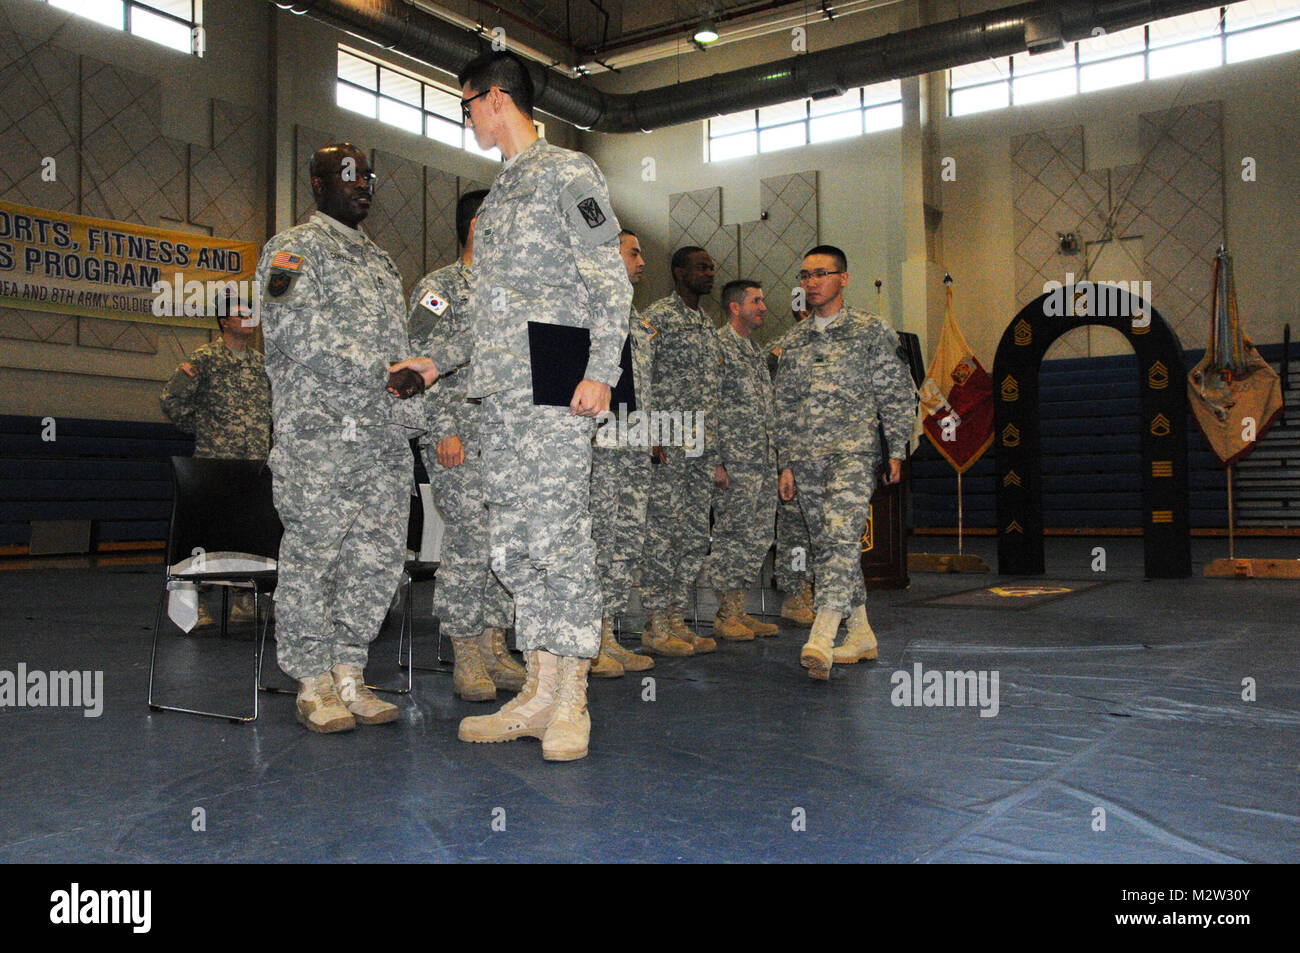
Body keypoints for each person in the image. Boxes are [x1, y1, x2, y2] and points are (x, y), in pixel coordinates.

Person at [392, 51, 630, 762]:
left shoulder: (570, 173)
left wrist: (601, 370)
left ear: (495, 99)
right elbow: (486, 314)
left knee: (558, 537)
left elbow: (609, 279)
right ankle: (537, 690)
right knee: (517, 546)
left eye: (466, 105)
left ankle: (573, 698)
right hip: (498, 392)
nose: (465, 119)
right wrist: (433, 361)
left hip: (557, 377)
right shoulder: (498, 197)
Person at [257, 142, 426, 732]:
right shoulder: (293, 249)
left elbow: (400, 348)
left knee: (376, 560)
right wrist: (382, 371)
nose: (363, 184)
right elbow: (296, 331)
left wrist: (412, 389)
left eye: (370, 176)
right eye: (348, 174)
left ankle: (351, 671)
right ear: (318, 182)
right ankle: (310, 681)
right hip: (320, 439)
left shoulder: (381, 261)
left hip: (382, 440)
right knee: (315, 556)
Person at [774, 245, 913, 680]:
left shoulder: (871, 331)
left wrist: (895, 448)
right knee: (831, 548)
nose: (811, 282)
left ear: (844, 278)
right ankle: (862, 632)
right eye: (805, 275)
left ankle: (823, 632)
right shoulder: (792, 341)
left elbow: (895, 390)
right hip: (806, 461)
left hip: (853, 453)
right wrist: (786, 463)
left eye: (821, 273)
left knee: (839, 538)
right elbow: (784, 406)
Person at [408, 189, 523, 701]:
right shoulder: (440, 288)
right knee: (469, 547)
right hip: (459, 439)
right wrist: (441, 429)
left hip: (508, 443)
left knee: (503, 549)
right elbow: (416, 359)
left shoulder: (511, 291)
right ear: (478, 225)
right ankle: (466, 651)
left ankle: (496, 644)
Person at [160, 287, 271, 626]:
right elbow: (171, 400)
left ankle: (244, 600)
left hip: (253, 464)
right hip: (215, 462)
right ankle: (200, 601)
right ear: (224, 321)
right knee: (207, 535)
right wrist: (205, 427)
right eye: (242, 313)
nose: (250, 319)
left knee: (248, 533)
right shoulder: (204, 358)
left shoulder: (262, 364)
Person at [637, 246, 724, 656]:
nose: (710, 273)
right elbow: (640, 377)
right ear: (678, 272)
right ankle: (655, 623)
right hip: (667, 437)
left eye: (711, 267)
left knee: (692, 533)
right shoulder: (658, 317)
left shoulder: (706, 323)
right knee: (662, 531)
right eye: (701, 267)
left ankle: (676, 616)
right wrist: (649, 433)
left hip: (700, 441)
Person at [588, 229, 657, 677]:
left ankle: (608, 635)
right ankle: (588, 640)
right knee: (596, 539)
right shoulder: (588, 307)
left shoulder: (636, 320)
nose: (642, 262)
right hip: (600, 442)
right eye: (634, 252)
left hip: (632, 441)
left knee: (624, 541)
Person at [705, 280, 781, 641]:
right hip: (735, 463)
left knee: (758, 536)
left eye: (763, 300)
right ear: (735, 307)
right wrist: (715, 460)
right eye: (756, 301)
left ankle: (738, 607)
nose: (763, 306)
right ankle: (724, 614)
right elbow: (708, 405)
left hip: (762, 461)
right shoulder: (719, 347)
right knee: (732, 535)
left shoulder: (752, 351)